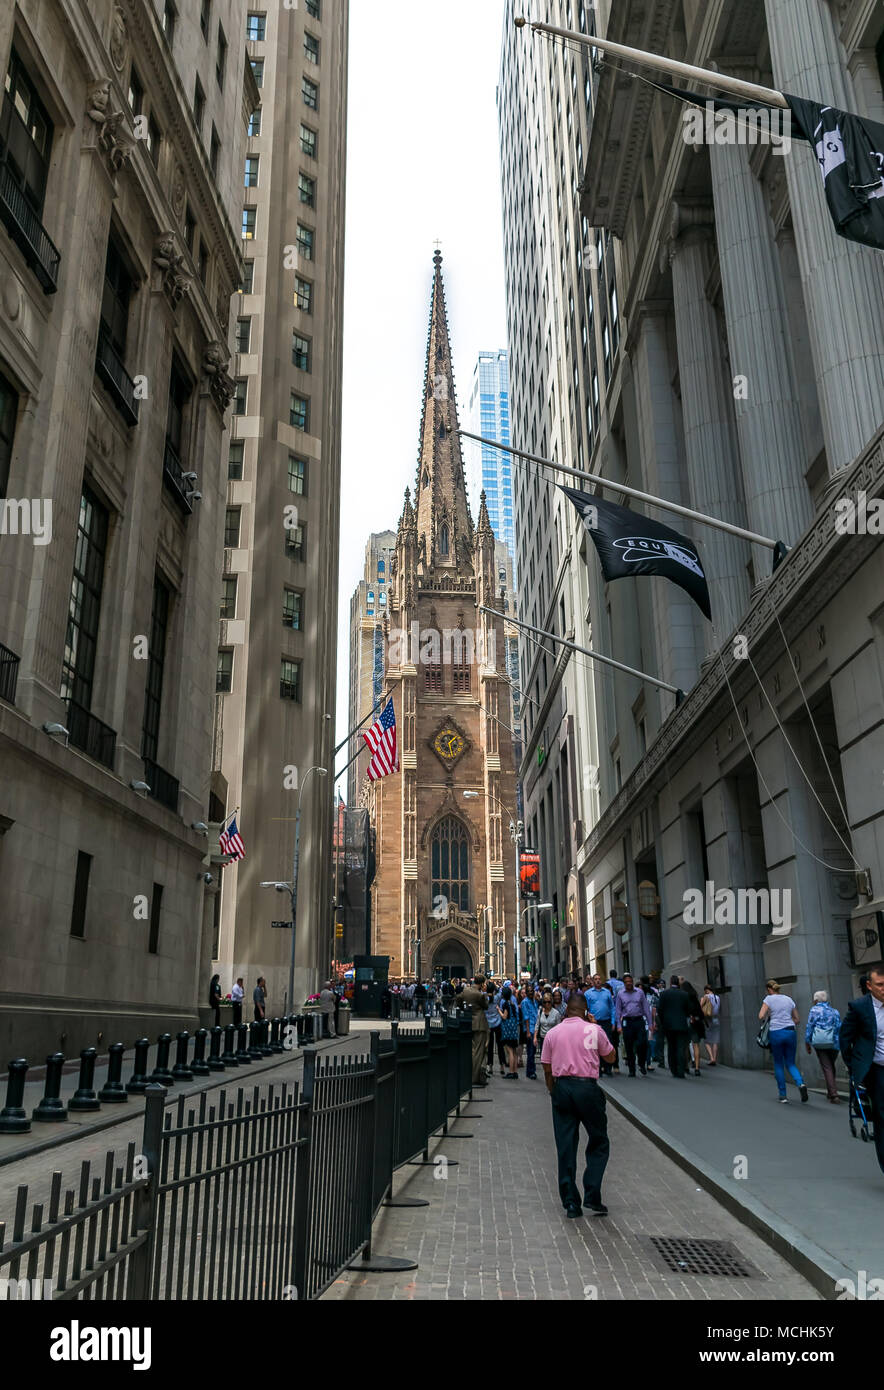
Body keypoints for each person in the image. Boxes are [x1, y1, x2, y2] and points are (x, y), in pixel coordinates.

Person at [541, 991, 616, 1217]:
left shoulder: (553, 1033)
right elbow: (611, 1057)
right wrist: (595, 1025)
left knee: (566, 1146)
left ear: (566, 1010)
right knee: (599, 1141)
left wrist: (553, 1090)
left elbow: (546, 1067)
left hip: (562, 1088)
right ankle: (592, 1194)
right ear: (585, 1011)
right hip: (588, 1089)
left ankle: (571, 1203)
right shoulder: (594, 1030)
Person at [839, 963, 884, 1173]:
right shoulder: (859, 1007)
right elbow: (844, 1039)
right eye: (880, 984)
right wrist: (855, 1066)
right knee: (882, 1118)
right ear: (869, 985)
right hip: (876, 1071)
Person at [759, 979, 807, 1103]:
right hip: (790, 1031)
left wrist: (770, 1016)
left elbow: (760, 1015)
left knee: (778, 1063)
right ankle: (800, 1083)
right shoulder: (788, 999)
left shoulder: (768, 999)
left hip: (776, 1032)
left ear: (769, 990)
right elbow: (797, 1019)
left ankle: (783, 1095)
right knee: (791, 1063)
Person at [804, 990, 842, 1103]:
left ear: (816, 1000)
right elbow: (839, 1026)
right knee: (831, 1065)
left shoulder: (814, 1010)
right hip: (834, 1042)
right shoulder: (835, 1011)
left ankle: (834, 1094)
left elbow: (810, 1026)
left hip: (820, 1042)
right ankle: (831, 1092)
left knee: (827, 1067)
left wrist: (807, 1042)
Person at [614, 973, 653, 1076]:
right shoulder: (620, 994)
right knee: (629, 1046)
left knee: (642, 1043)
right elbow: (618, 1011)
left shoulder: (639, 992)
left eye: (630, 982)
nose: (628, 984)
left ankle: (641, 1063)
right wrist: (618, 1025)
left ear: (633, 982)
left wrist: (650, 1023)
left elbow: (646, 1008)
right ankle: (632, 1069)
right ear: (624, 983)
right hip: (627, 1022)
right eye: (626, 982)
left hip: (639, 1020)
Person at [656, 975, 692, 1078]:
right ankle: (681, 1070)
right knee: (680, 1047)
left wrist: (663, 1021)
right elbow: (688, 1010)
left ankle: (673, 1069)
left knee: (671, 1047)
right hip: (681, 1024)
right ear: (678, 983)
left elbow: (660, 1009)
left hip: (668, 1025)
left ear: (671, 982)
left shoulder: (664, 994)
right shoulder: (684, 994)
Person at [459, 975, 491, 1086]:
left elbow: (458, 999)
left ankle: (472, 1074)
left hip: (469, 1022)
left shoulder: (466, 990)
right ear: (482, 983)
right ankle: (475, 1077)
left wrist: (465, 1009)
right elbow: (486, 1006)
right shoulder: (480, 995)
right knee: (479, 1051)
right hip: (479, 1024)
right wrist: (485, 993)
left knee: (472, 1050)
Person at [585, 974, 618, 1075]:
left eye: (599, 979)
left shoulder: (607, 992)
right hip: (594, 1022)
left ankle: (608, 1068)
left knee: (607, 1044)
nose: (598, 981)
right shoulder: (588, 993)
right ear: (592, 981)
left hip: (606, 1022)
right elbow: (586, 1009)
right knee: (595, 1045)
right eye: (596, 979)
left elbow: (612, 1008)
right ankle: (598, 1068)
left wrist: (613, 1022)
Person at [682, 980, 706, 1076]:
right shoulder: (694, 998)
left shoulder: (683, 997)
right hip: (695, 1024)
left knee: (686, 1046)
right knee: (696, 1045)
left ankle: (686, 1067)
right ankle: (697, 1068)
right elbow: (700, 1013)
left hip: (686, 1023)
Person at [498, 985, 521, 1079]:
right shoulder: (512, 1004)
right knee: (514, 1051)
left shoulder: (505, 1004)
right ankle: (515, 1071)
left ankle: (511, 1071)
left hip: (507, 1030)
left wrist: (498, 1010)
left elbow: (504, 1016)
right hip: (514, 1030)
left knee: (510, 1051)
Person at [485, 982, 506, 1076]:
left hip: (488, 1023)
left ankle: (490, 1066)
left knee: (490, 1046)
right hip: (497, 1023)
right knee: (500, 1045)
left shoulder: (484, 998)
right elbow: (502, 991)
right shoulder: (497, 997)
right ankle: (502, 1065)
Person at [521, 983, 539, 1079]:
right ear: (526, 993)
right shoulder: (525, 1002)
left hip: (535, 1028)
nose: (531, 992)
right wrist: (528, 1031)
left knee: (533, 1050)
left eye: (532, 991)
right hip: (530, 1029)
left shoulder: (535, 1001)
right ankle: (531, 1071)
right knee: (531, 1051)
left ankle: (531, 1070)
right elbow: (526, 1017)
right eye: (529, 991)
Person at [701, 984, 721, 1065]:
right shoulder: (718, 997)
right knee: (715, 1040)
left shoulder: (706, 996)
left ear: (706, 990)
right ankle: (715, 1058)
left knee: (706, 1040)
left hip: (708, 1020)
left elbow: (700, 1006)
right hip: (716, 1019)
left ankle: (711, 1058)